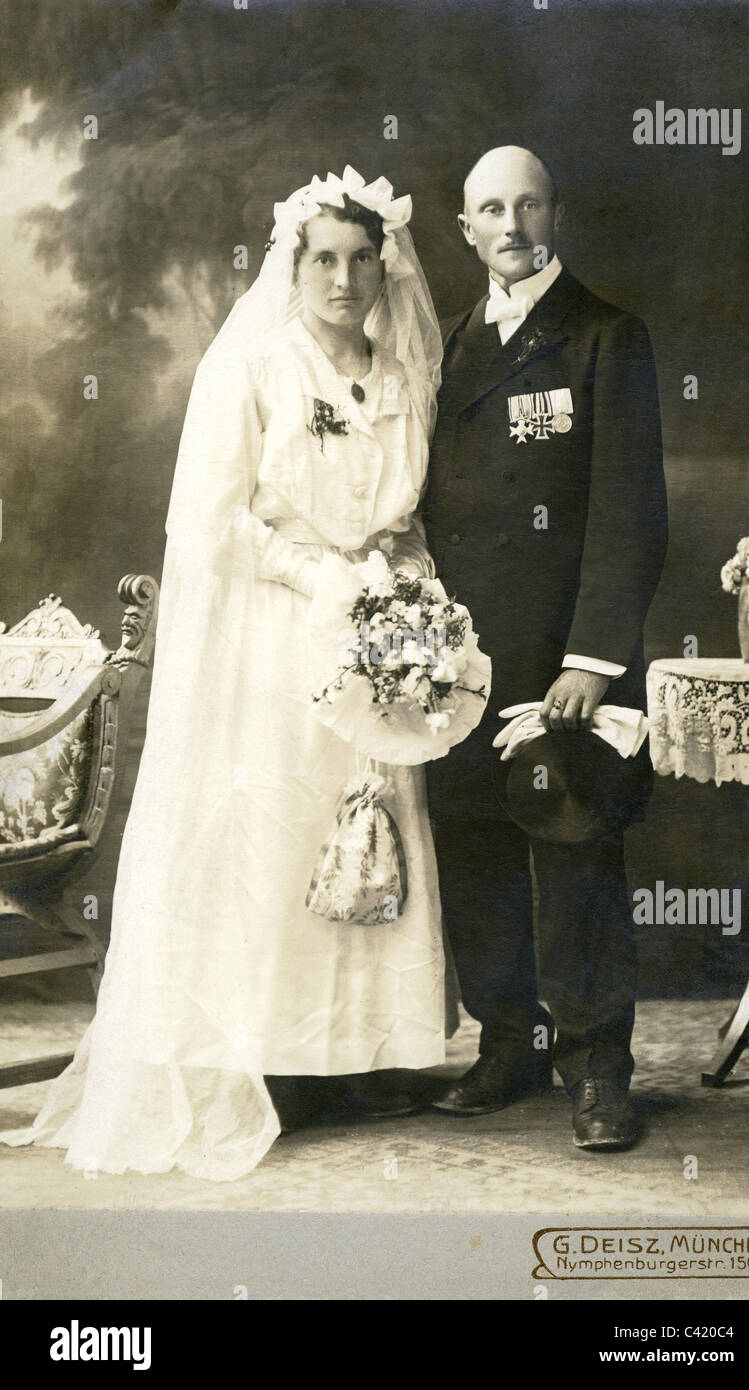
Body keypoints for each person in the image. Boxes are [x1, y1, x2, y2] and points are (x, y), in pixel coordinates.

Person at [2, 166, 452, 1182]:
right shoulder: (257, 364)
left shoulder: (397, 374)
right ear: (293, 266)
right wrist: (320, 577)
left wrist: (404, 596)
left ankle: (355, 1055)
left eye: (360, 261)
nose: (343, 280)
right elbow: (217, 518)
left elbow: (408, 516)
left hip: (371, 636)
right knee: (277, 836)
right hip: (272, 636)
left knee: (365, 828)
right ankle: (263, 1059)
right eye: (323, 261)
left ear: (384, 269)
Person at [423, 145, 668, 1150]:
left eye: (528, 203)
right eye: (492, 208)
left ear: (554, 212)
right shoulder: (445, 347)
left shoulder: (606, 337)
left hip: (565, 658)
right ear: (466, 229)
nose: (512, 224)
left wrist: (592, 658)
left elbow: (629, 513)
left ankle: (598, 1065)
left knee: (571, 844)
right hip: (461, 657)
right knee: (474, 838)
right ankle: (504, 1039)